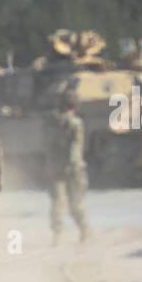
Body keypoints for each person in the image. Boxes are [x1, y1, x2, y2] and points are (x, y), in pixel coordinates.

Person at [45, 87, 90, 244]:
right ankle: (84, 230)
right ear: (76, 106)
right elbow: (75, 147)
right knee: (76, 203)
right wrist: (72, 163)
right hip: (74, 167)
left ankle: (57, 235)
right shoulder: (76, 123)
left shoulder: (52, 122)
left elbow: (48, 145)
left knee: (57, 202)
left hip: (56, 166)